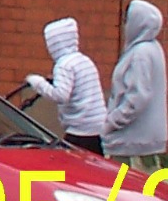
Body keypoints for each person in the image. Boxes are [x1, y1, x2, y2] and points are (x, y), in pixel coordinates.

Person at [105, 0, 168, 173]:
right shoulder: (154, 48)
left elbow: (136, 98)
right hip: (145, 142)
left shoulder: (139, 54)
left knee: (124, 193)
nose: (124, 25)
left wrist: (110, 123)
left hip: (131, 143)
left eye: (127, 20)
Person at [25, 16, 109, 154]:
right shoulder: (84, 60)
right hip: (97, 126)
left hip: (80, 129)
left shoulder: (63, 65)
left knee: (70, 165)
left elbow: (61, 96)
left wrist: (37, 83)